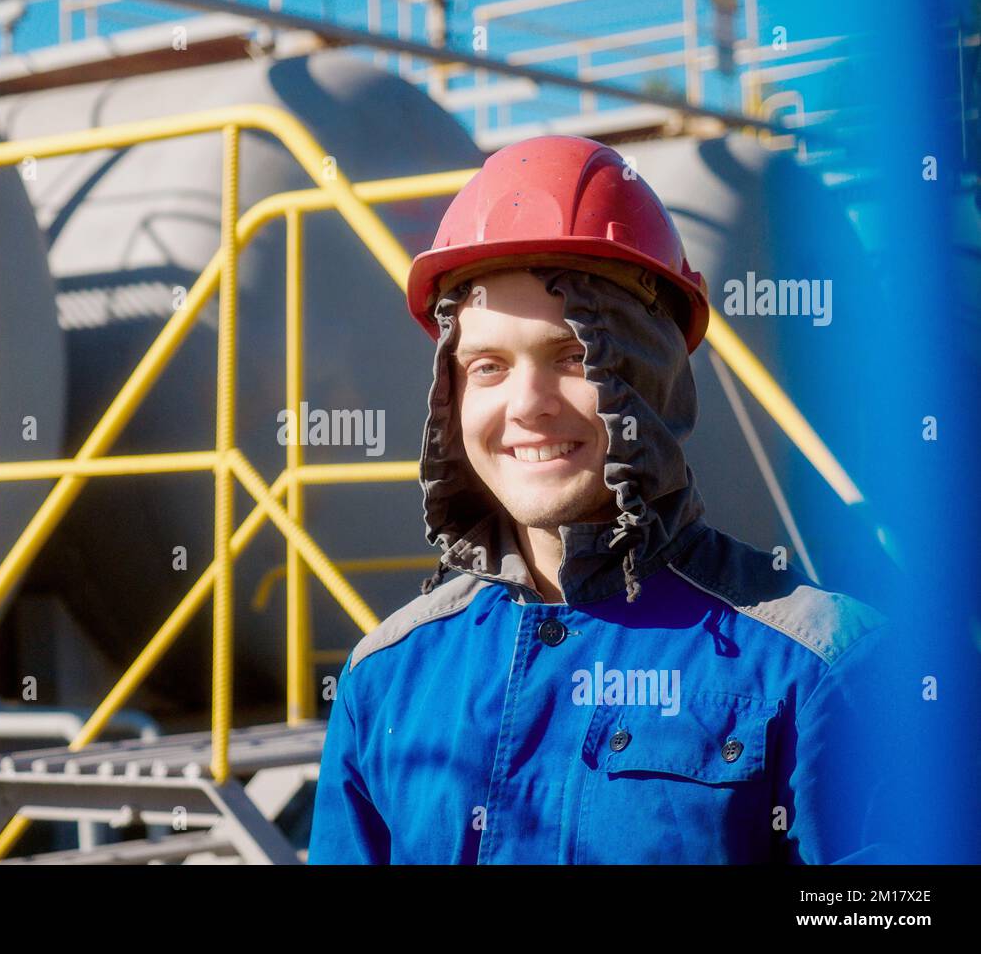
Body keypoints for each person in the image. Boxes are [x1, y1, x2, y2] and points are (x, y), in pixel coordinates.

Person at [306, 134, 897, 864]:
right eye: (487, 367)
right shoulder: (385, 680)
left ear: (652, 375)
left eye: (575, 355)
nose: (527, 405)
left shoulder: (823, 668)